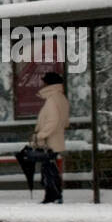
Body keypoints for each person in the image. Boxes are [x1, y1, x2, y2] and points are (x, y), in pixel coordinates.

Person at [33, 71, 70, 204]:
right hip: (56, 139)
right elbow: (64, 122)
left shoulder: (52, 99)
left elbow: (52, 121)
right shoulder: (61, 98)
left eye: (45, 82)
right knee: (51, 168)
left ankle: (52, 195)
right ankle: (54, 195)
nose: (42, 84)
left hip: (50, 141)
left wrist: (41, 135)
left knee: (48, 169)